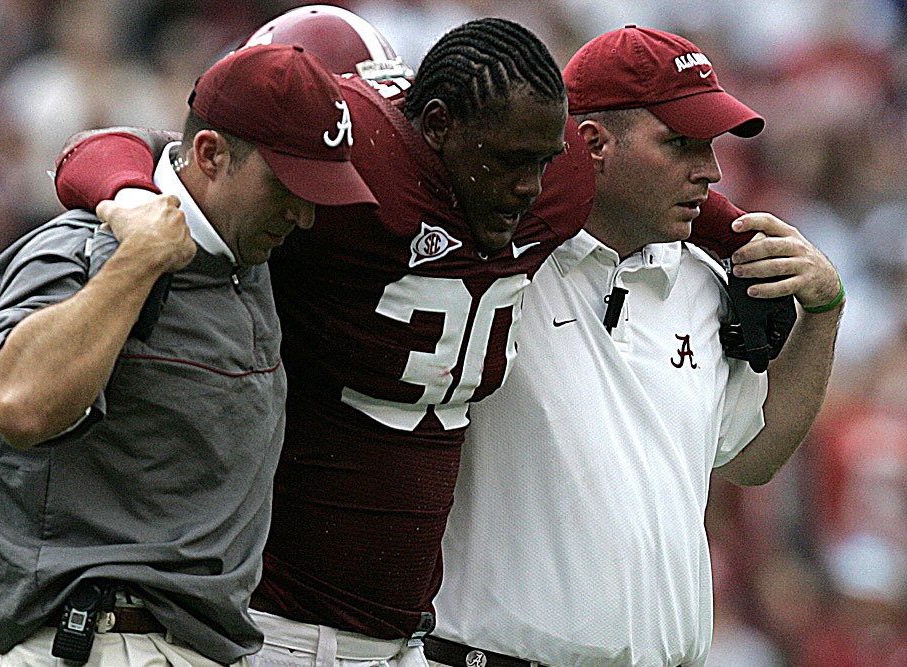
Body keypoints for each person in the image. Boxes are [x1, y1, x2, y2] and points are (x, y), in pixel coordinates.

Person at [47, 10, 771, 667]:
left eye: (540, 161)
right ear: (435, 126)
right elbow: (125, 149)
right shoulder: (354, 161)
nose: (529, 189)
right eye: (509, 162)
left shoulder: (556, 167)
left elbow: (633, 176)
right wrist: (132, 203)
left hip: (402, 638)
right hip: (276, 617)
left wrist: (743, 234)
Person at [422, 26, 843, 667]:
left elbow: (749, 459)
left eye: (709, 144)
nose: (711, 170)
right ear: (589, 143)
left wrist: (824, 313)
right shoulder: (498, 270)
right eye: (679, 144)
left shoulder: (708, 285)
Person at [0, 43, 377, 667]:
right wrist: (141, 257)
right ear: (210, 156)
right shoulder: (79, 250)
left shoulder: (243, 244)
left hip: (197, 644)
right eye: (287, 185)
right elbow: (18, 406)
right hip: (103, 640)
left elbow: (126, 144)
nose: (305, 214)